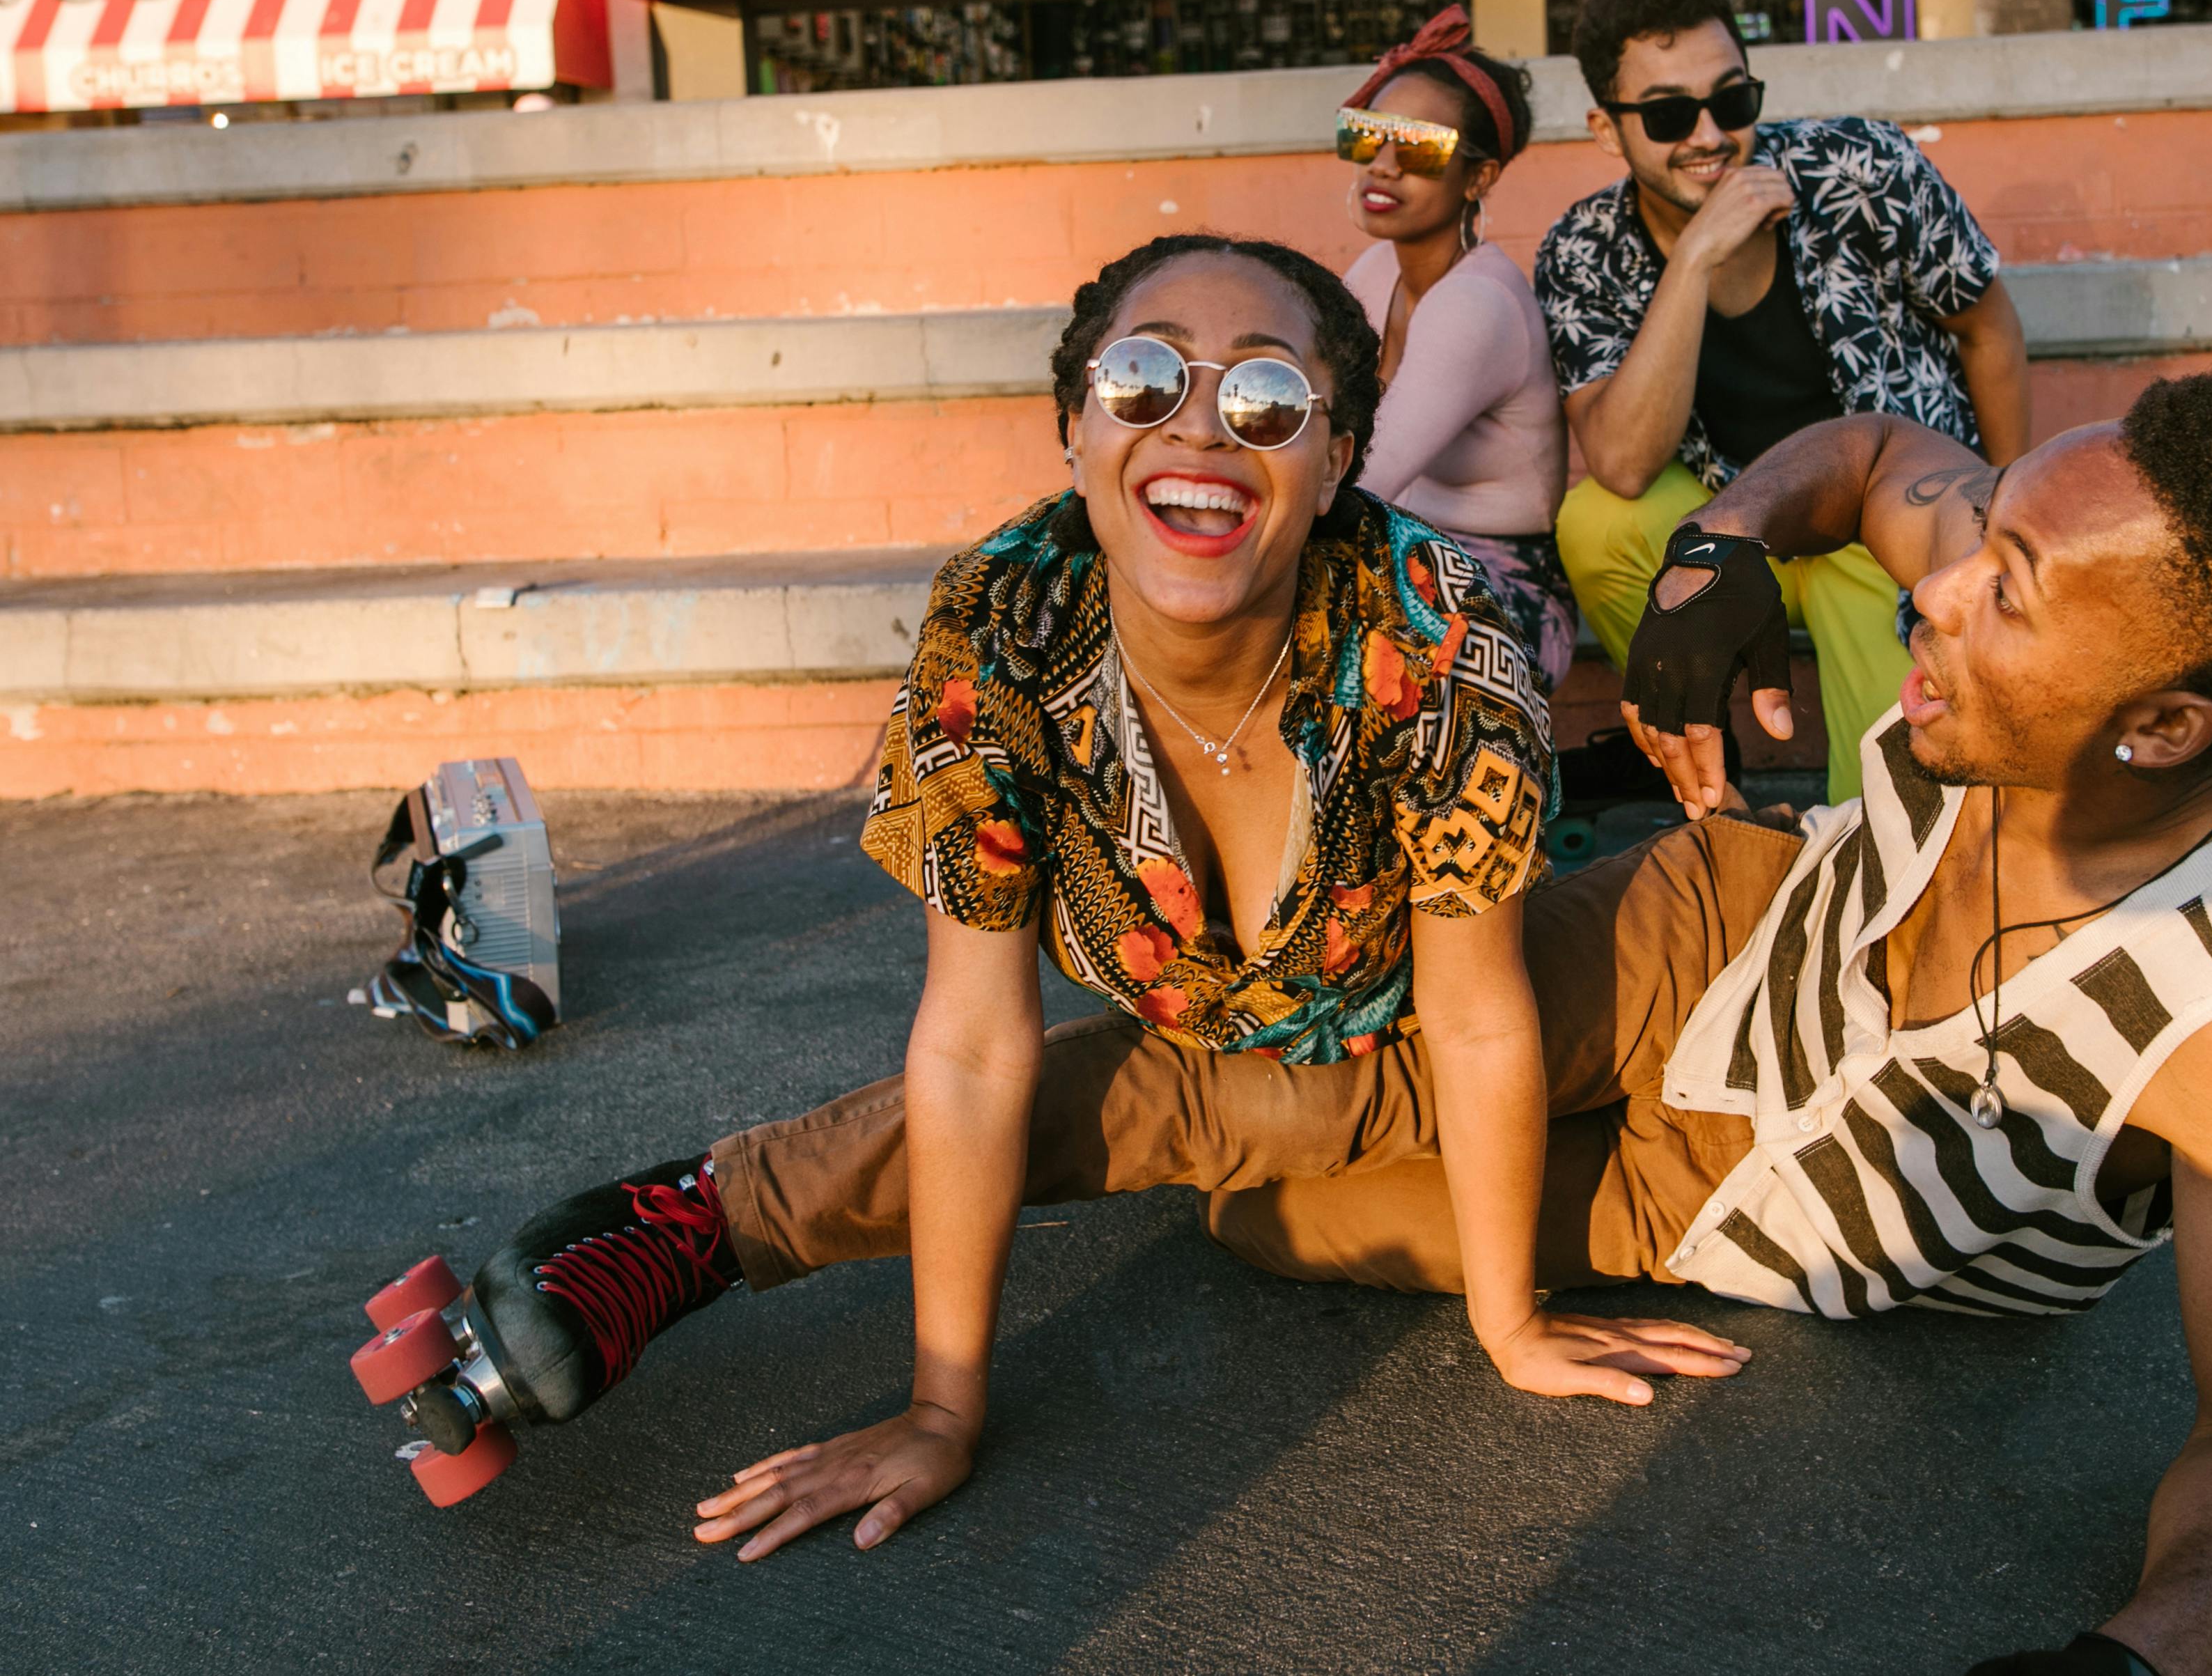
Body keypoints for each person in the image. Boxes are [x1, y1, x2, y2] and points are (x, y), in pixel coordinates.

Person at [405, 235, 1750, 1556]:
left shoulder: (1432, 633)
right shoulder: (996, 635)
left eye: (1268, 398)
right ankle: (693, 1222)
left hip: (1514, 994)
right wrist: (942, 1409)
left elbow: (1473, 1020)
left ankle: (702, 1214)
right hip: (1263, 1080)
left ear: (1337, 461)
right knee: (1271, 1209)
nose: (1202, 429)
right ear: (1071, 426)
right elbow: (978, 1043)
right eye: (1143, 381)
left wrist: (1509, 1328)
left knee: (1264, 1172)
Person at [1208, 368, 2212, 1675]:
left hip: (1728, 1203)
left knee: (1263, 1212)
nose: (1939, 588)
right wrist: (1717, 549)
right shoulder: (2059, 588)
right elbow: (1872, 451)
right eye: (1986, 534)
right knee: (1255, 1093)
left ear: (2164, 727)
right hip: (1735, 927)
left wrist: (2136, 1659)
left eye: (2002, 590)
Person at [1537, 0, 2031, 805]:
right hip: (1740, 520)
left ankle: (1873, 855)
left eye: (1731, 101)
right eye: (1666, 115)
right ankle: (1701, 759)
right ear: (1604, 130)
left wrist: (2010, 518)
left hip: (1879, 522)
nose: (1708, 136)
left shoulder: (1860, 171)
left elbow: (1986, 326)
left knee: (1898, 787)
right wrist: (1692, 258)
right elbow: (1621, 463)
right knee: (1595, 520)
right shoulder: (1585, 250)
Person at [1337, 5, 1577, 687]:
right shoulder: (1375, 271)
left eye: (1416, 148)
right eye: (1368, 137)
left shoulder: (1477, 304)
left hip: (1501, 594)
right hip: (1402, 559)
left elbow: (1360, 477)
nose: (1382, 165)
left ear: (1478, 178)